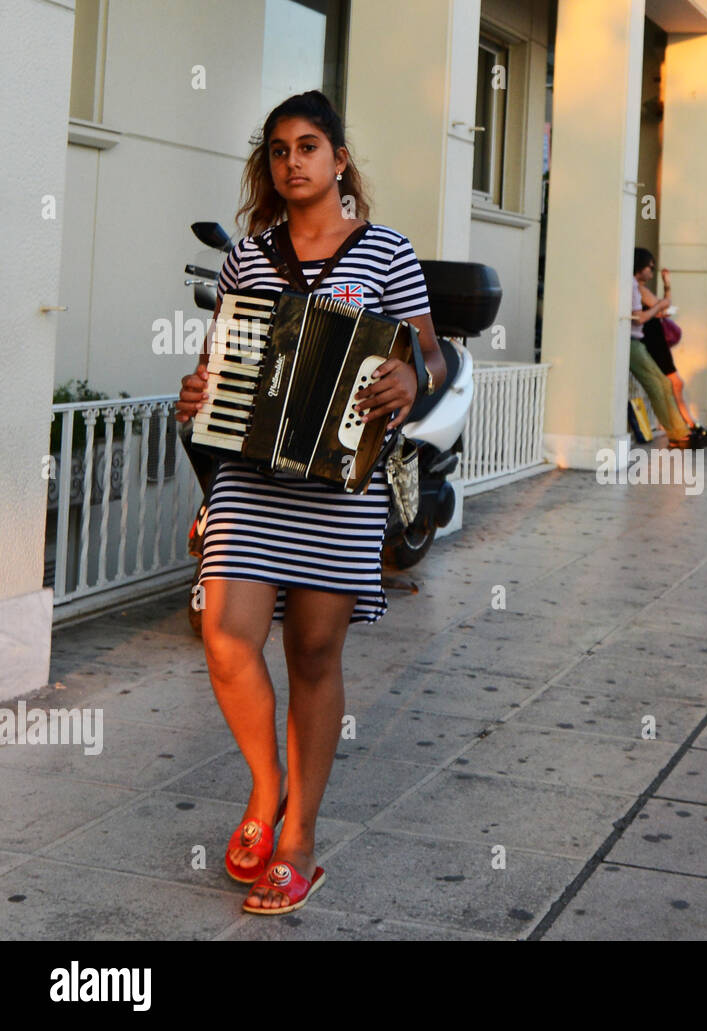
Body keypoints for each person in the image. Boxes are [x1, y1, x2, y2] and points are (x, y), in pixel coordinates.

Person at [174, 90, 445, 915]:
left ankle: (299, 839)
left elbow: (433, 354)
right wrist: (198, 390)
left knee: (315, 658)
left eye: (308, 146)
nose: (293, 161)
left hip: (338, 486)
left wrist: (413, 376)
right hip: (253, 482)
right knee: (226, 637)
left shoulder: (387, 253)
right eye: (279, 150)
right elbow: (217, 359)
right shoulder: (246, 258)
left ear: (338, 160)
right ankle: (267, 793)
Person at [634, 248, 707, 445]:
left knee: (673, 384)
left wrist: (665, 291)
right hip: (652, 340)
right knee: (672, 384)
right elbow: (663, 307)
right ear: (640, 267)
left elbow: (664, 307)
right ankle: (685, 426)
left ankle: (686, 425)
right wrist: (666, 290)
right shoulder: (639, 290)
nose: (651, 271)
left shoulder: (641, 289)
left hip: (655, 339)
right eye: (649, 267)